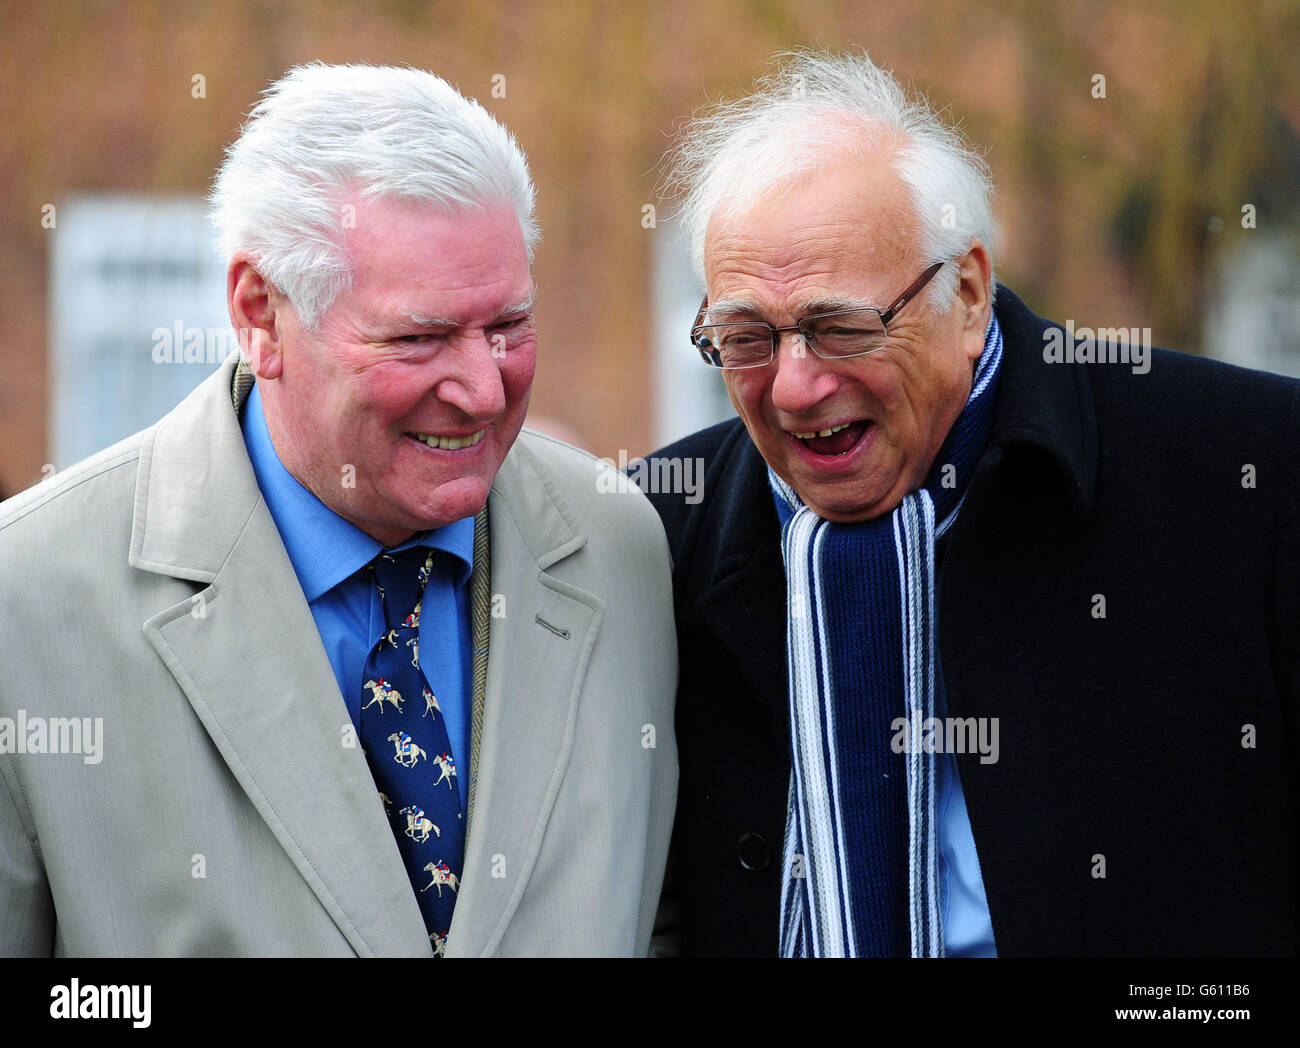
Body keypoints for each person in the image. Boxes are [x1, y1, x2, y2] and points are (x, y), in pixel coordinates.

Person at [0, 63, 676, 957]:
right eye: (420, 337)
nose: (482, 389)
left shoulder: (621, 545)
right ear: (260, 316)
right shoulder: (30, 600)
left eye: (508, 326)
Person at [646, 50, 1300, 957]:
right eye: (744, 338)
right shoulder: (653, 536)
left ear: (968, 293)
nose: (794, 386)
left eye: (841, 326)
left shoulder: (1251, 471)